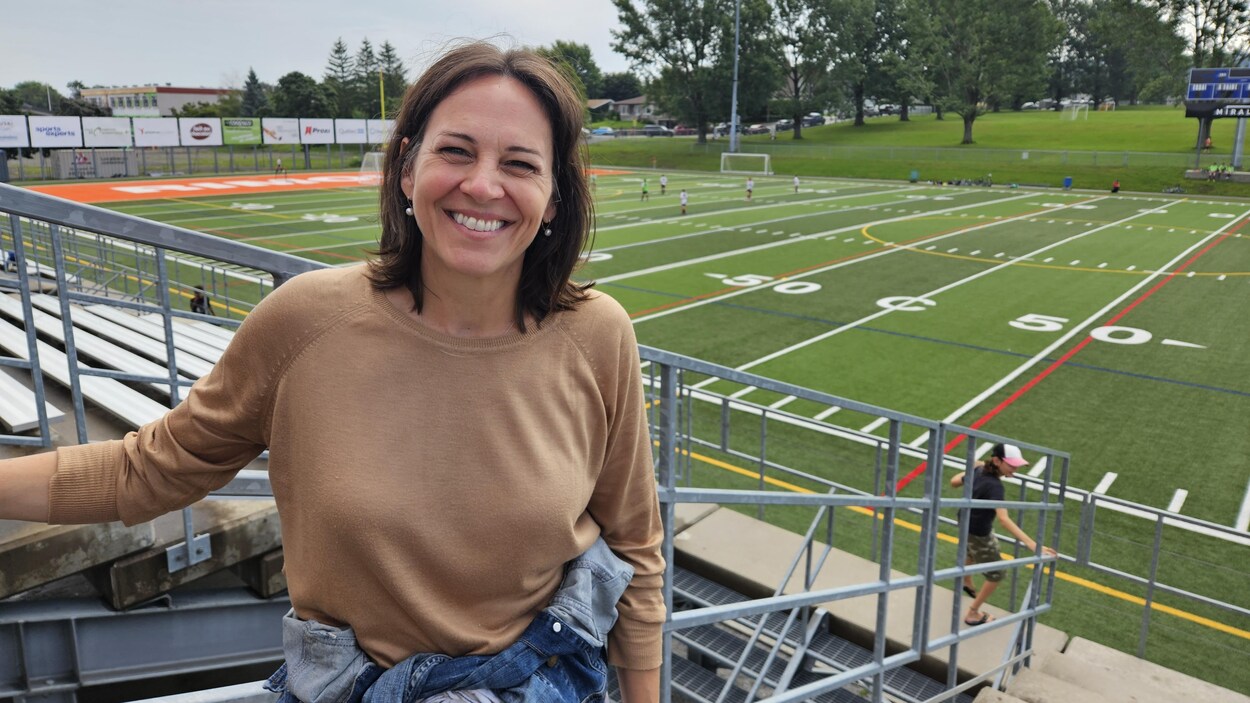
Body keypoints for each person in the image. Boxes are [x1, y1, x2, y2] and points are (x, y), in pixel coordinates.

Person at [0, 41, 665, 703]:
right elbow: (148, 469)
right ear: (407, 168)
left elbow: (635, 548)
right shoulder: (304, 321)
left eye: (520, 164)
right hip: (343, 683)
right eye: (456, 151)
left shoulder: (597, 334)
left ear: (553, 200)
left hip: (534, 681)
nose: (484, 185)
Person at [949, 443, 1056, 628]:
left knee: (971, 550)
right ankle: (973, 613)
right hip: (979, 531)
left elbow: (954, 482)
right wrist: (1034, 545)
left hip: (965, 522)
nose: (1015, 470)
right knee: (997, 574)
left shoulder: (979, 471)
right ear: (997, 461)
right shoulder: (995, 486)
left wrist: (974, 466)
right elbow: (1004, 520)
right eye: (1012, 466)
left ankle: (965, 579)